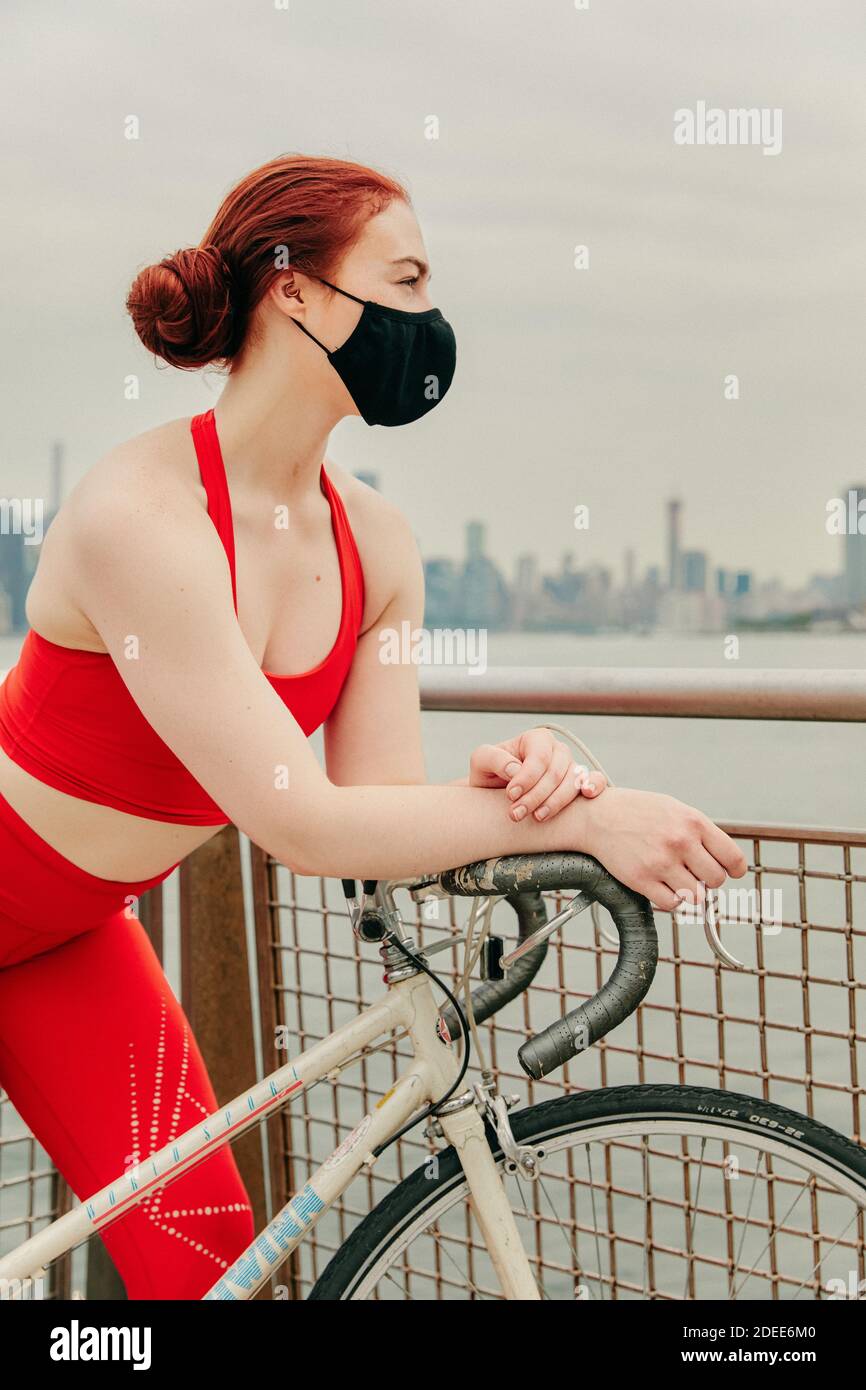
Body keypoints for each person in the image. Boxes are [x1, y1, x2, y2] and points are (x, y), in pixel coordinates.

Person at [0, 154, 746, 1299]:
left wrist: (531, 781)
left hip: (63, 929)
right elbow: (302, 826)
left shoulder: (378, 545)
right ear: (293, 291)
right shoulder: (140, 516)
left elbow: (381, 804)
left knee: (202, 1259)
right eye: (402, 281)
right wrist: (602, 821)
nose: (428, 322)